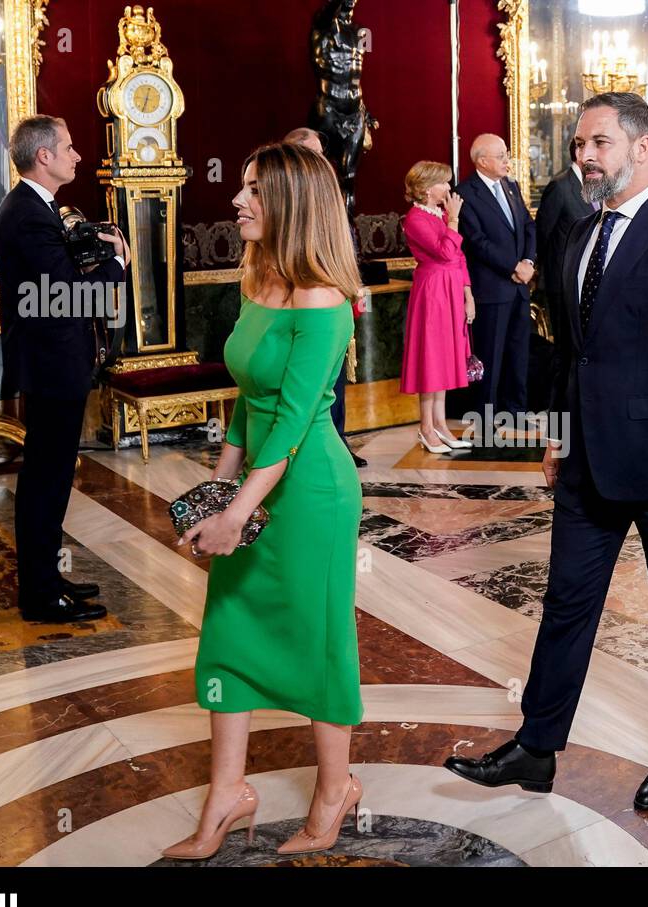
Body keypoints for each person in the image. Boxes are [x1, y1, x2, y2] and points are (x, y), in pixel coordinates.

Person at [443, 92, 648, 811]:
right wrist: (556, 433)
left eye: (599, 143)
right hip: (584, 464)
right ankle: (537, 748)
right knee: (566, 606)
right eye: (580, 144)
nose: (583, 156)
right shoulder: (579, 233)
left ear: (642, 148)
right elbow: (563, 353)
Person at [164, 143, 364, 860]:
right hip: (254, 488)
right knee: (230, 629)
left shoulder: (324, 301)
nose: (238, 200)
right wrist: (217, 496)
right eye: (243, 185)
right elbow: (250, 406)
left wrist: (238, 510)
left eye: (255, 190)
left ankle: (336, 789)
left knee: (317, 638)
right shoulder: (260, 283)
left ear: (293, 205)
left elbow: (291, 423)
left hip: (310, 494)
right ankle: (228, 794)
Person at [0, 115, 130, 624]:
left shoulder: (33, 208)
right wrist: (119, 263)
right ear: (43, 156)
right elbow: (64, 295)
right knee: (46, 479)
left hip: (55, 362)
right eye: (68, 148)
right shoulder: (27, 213)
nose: (76, 156)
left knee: (50, 478)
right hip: (51, 366)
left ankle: (47, 581)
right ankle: (40, 595)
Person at [283, 125, 366, 468]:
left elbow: (345, 243)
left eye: (321, 156)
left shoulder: (331, 197)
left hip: (335, 300)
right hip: (300, 306)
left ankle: (338, 440)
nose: (322, 163)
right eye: (313, 156)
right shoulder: (281, 204)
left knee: (334, 381)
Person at [456, 133, 537, 432]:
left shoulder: (511, 186)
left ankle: (515, 411)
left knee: (518, 352)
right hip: (491, 288)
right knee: (490, 355)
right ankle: (486, 417)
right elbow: (477, 242)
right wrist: (512, 266)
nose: (507, 160)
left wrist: (528, 263)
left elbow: (528, 225)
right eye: (501, 155)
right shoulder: (465, 192)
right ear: (482, 161)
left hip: (518, 285)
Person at [400, 160, 476, 453]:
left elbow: (459, 257)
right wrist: (454, 220)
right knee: (431, 359)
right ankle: (425, 428)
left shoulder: (441, 214)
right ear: (427, 188)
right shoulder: (416, 219)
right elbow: (445, 252)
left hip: (452, 288)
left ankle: (441, 424)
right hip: (433, 292)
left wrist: (467, 294)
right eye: (443, 182)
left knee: (444, 359)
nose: (448, 187)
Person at [535, 138, 595, 408]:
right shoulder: (560, 187)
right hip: (560, 282)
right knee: (563, 349)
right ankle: (558, 406)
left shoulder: (594, 186)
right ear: (579, 153)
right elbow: (543, 235)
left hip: (586, 282)